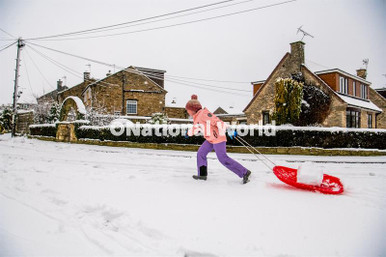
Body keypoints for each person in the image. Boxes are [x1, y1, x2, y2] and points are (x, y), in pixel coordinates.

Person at [185, 94, 251, 184]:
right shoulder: (197, 117)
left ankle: (244, 172)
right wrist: (188, 133)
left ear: (193, 109)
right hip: (210, 139)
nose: (187, 112)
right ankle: (202, 174)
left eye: (188, 110)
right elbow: (196, 128)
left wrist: (228, 129)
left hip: (218, 137)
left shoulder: (204, 114)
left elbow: (217, 121)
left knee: (223, 158)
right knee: (201, 153)